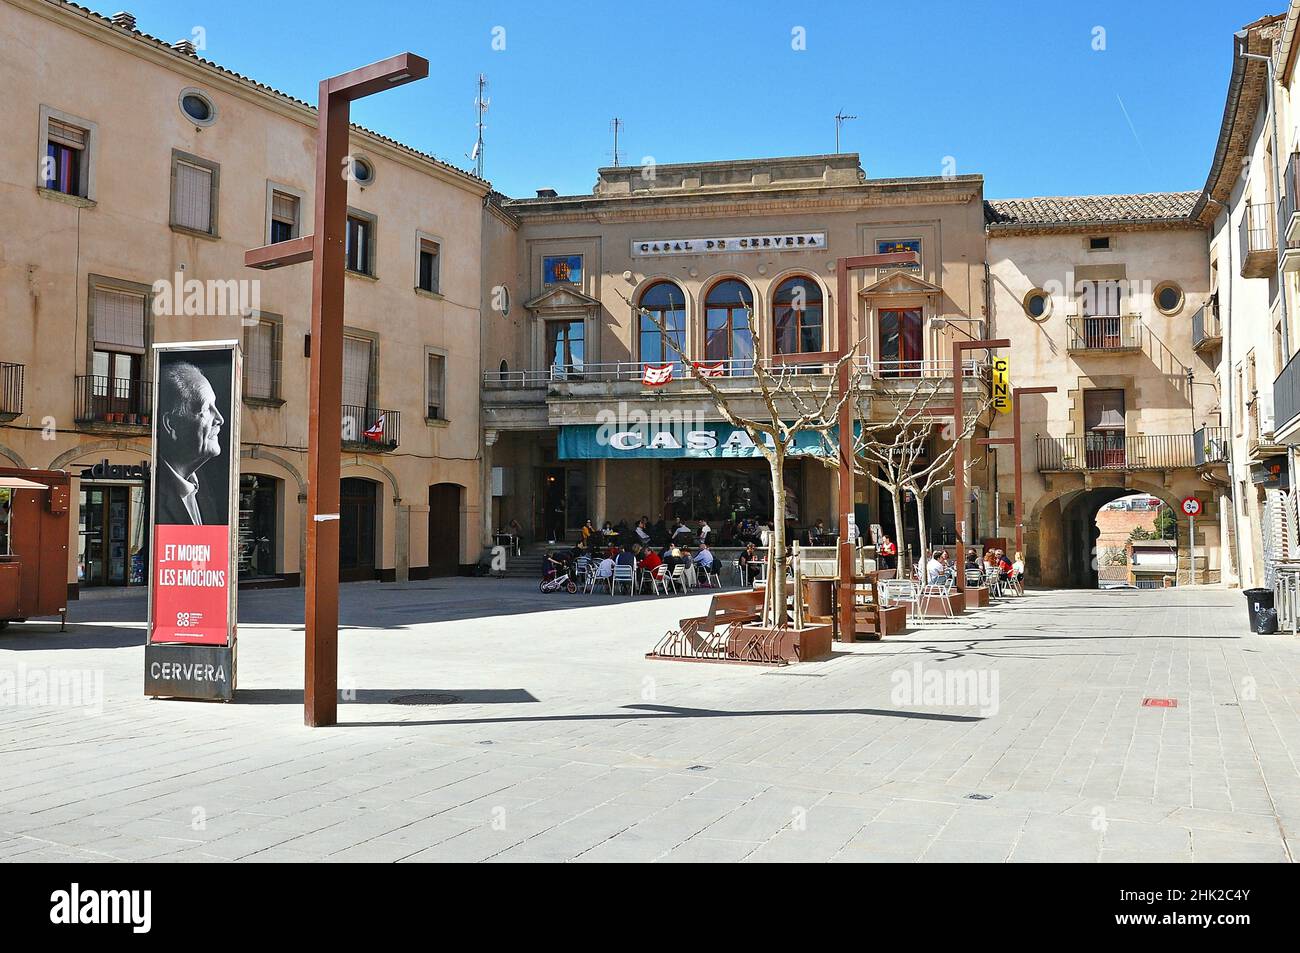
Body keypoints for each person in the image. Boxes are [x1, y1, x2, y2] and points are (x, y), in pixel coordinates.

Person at [155, 360, 227, 526]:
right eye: (205, 409)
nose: (220, 419)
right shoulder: (152, 492)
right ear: (171, 424)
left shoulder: (207, 489)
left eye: (214, 406)